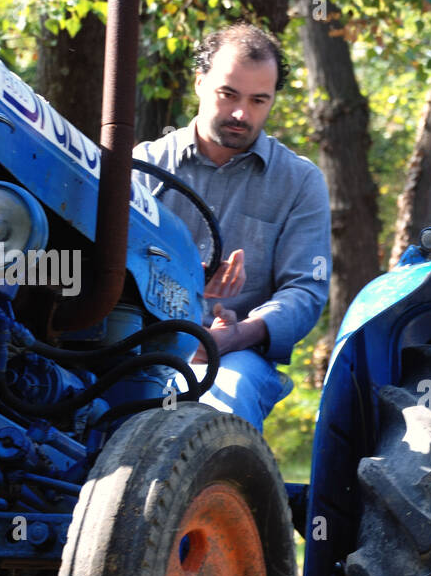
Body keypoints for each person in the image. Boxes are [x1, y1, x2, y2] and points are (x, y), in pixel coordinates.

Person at [134, 22, 331, 431]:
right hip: (141, 342)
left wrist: (239, 333)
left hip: (236, 354)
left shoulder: (299, 182)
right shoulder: (143, 167)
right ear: (200, 82)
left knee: (223, 405)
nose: (242, 114)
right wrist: (186, 287)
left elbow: (305, 290)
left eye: (259, 100)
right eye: (229, 94)